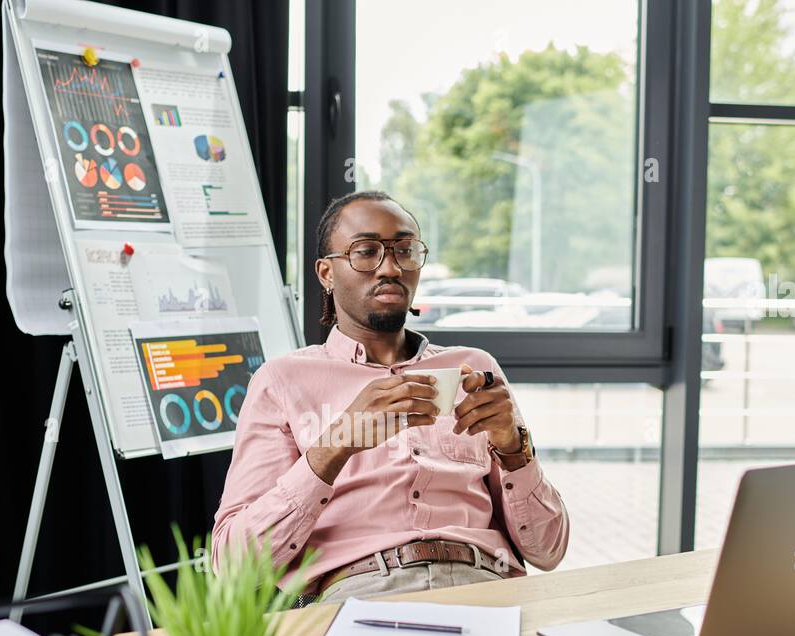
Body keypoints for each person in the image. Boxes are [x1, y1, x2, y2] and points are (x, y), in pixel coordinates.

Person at [211, 190, 569, 605]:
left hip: (488, 584)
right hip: (360, 594)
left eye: (405, 250)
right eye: (366, 252)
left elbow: (549, 551)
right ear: (326, 273)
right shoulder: (282, 381)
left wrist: (513, 449)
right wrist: (335, 446)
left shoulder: (474, 368)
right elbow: (233, 564)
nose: (391, 267)